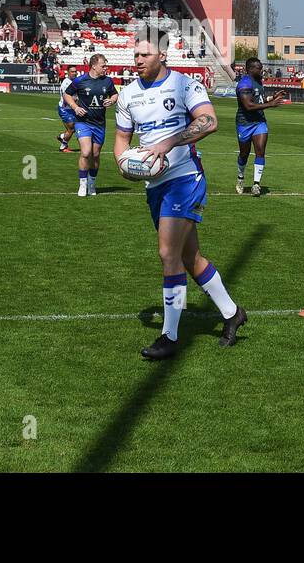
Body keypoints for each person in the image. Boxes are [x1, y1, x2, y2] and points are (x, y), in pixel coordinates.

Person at [113, 30, 245, 360]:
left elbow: (209, 120)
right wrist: (123, 164)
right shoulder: (128, 95)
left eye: (144, 54)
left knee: (167, 253)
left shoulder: (185, 85)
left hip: (185, 179)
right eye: (136, 54)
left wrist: (169, 142)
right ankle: (232, 313)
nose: (138, 60)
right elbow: (121, 140)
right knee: (190, 258)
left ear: (162, 55)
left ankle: (170, 337)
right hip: (155, 185)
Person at [63, 54, 118, 196]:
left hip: (99, 123)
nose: (105, 68)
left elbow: (114, 94)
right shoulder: (80, 80)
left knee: (95, 154)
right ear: (94, 66)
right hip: (83, 122)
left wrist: (111, 101)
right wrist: (75, 107)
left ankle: (92, 182)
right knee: (86, 152)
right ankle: (82, 184)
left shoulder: (108, 81)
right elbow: (67, 94)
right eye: (103, 66)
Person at [234, 58, 285, 196]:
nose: (261, 70)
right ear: (250, 69)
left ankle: (256, 184)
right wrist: (271, 105)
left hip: (259, 122)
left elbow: (259, 99)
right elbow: (248, 106)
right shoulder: (244, 84)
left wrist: (272, 98)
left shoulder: (258, 81)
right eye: (258, 67)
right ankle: (240, 177)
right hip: (244, 122)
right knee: (244, 154)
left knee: (260, 151)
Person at [56, 68, 77, 152]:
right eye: (72, 72)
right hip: (65, 109)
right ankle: (63, 147)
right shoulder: (66, 83)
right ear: (68, 73)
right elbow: (67, 98)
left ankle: (62, 136)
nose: (74, 73)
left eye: (75, 71)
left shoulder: (75, 82)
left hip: (71, 108)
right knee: (71, 129)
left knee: (74, 128)